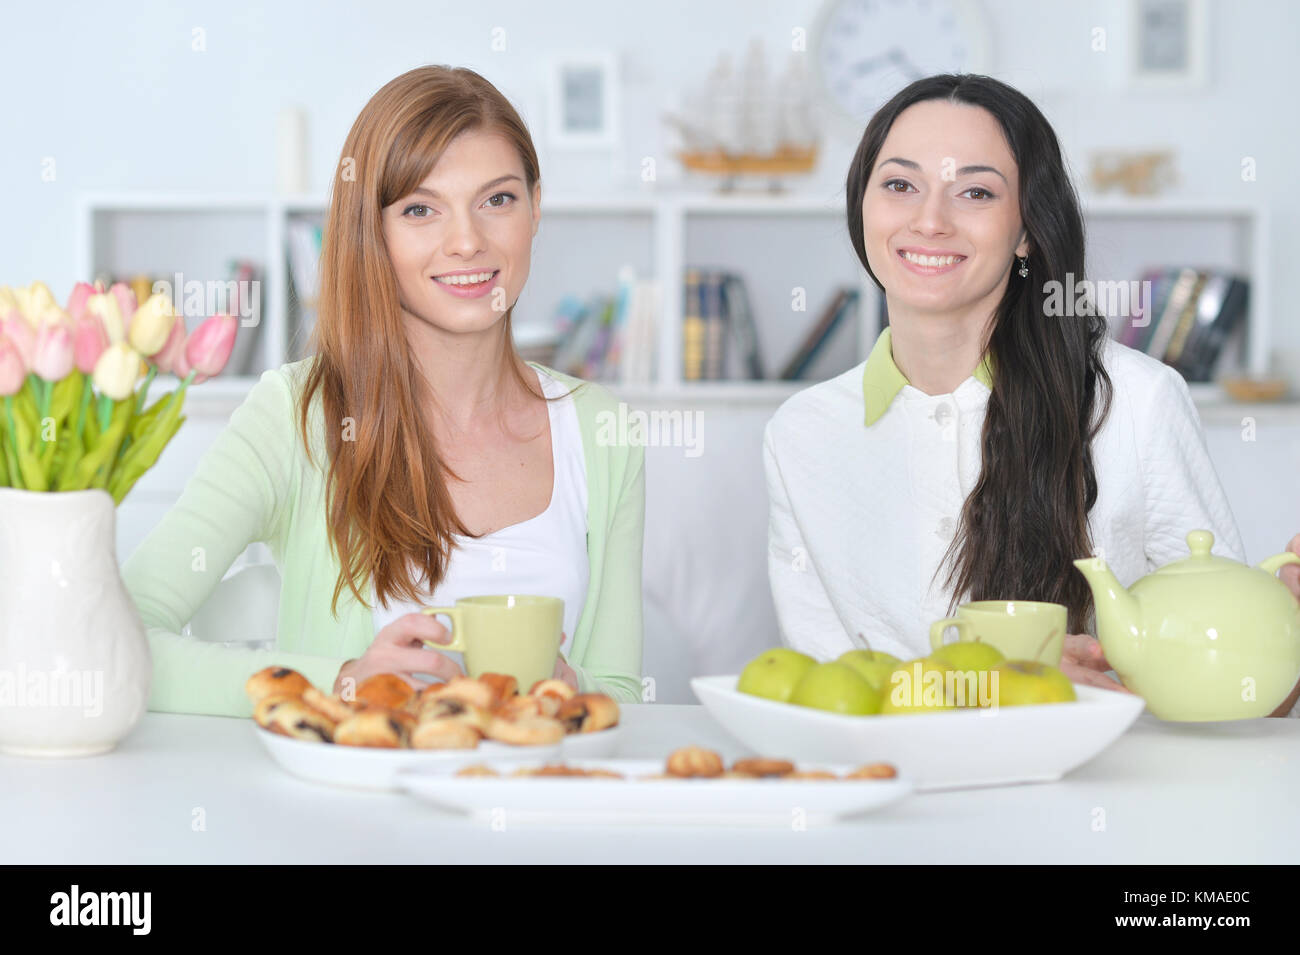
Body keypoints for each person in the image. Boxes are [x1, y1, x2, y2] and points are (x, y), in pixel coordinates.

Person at [763, 73, 1300, 714]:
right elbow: (828, 694)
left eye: (976, 192)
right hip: (896, 795)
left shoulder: (1135, 400)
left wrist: (1278, 636)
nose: (930, 220)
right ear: (862, 206)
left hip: (1103, 793)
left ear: (1025, 232)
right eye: (900, 185)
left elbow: (1235, 681)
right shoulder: (803, 433)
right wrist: (1002, 682)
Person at [122, 66, 645, 717]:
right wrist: (343, 681)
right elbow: (123, 640)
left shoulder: (602, 431)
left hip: (543, 804)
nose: (466, 241)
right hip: (354, 812)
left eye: (498, 200)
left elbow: (625, 695)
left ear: (537, 207)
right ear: (373, 231)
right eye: (420, 209)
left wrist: (572, 684)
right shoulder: (297, 413)